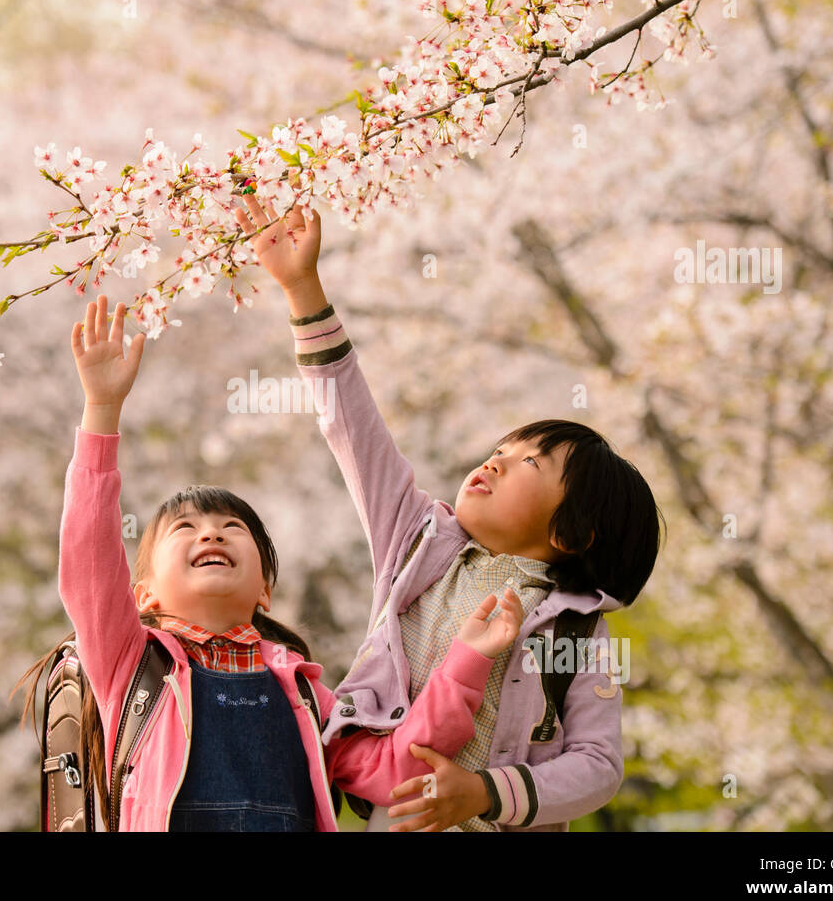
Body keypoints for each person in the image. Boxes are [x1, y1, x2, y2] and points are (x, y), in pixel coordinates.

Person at [233, 192, 666, 831]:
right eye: (499, 449)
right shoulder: (416, 542)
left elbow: (598, 764)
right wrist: (303, 291)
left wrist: (487, 792)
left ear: (570, 532)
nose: (493, 462)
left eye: (529, 465)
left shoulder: (577, 633)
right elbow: (352, 429)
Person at [39, 293, 528, 831]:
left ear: (264, 591)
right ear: (144, 595)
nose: (211, 533)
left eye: (233, 529)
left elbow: (395, 771)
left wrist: (465, 663)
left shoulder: (301, 691)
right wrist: (101, 414)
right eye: (185, 528)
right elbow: (89, 562)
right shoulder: (134, 668)